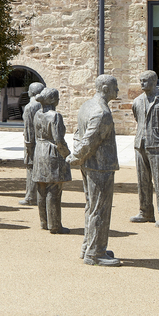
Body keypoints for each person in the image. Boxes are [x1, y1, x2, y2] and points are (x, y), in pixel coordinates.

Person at [70, 74, 122, 266]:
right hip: (100, 166)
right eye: (115, 87)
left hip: (89, 164)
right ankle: (95, 253)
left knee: (91, 207)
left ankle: (89, 246)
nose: (118, 90)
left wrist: (77, 156)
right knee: (100, 209)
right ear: (106, 88)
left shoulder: (87, 105)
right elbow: (89, 140)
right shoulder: (102, 113)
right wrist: (75, 156)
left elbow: (78, 134)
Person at [129, 70, 159, 228]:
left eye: (145, 80)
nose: (142, 83)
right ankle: (145, 211)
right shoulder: (137, 101)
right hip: (140, 144)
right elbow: (138, 119)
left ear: (154, 81)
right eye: (140, 80)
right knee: (142, 180)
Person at [30, 86, 70, 233]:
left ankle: (44, 222)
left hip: (39, 151)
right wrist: (67, 154)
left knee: (41, 188)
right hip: (51, 152)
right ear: (53, 100)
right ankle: (55, 225)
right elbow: (59, 140)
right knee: (54, 189)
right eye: (57, 97)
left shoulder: (37, 114)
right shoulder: (55, 116)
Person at [22, 81, 45, 204]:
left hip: (32, 142)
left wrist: (28, 144)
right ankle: (39, 195)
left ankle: (30, 197)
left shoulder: (30, 107)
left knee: (30, 168)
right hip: (42, 142)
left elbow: (28, 128)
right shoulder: (44, 105)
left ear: (32, 92)